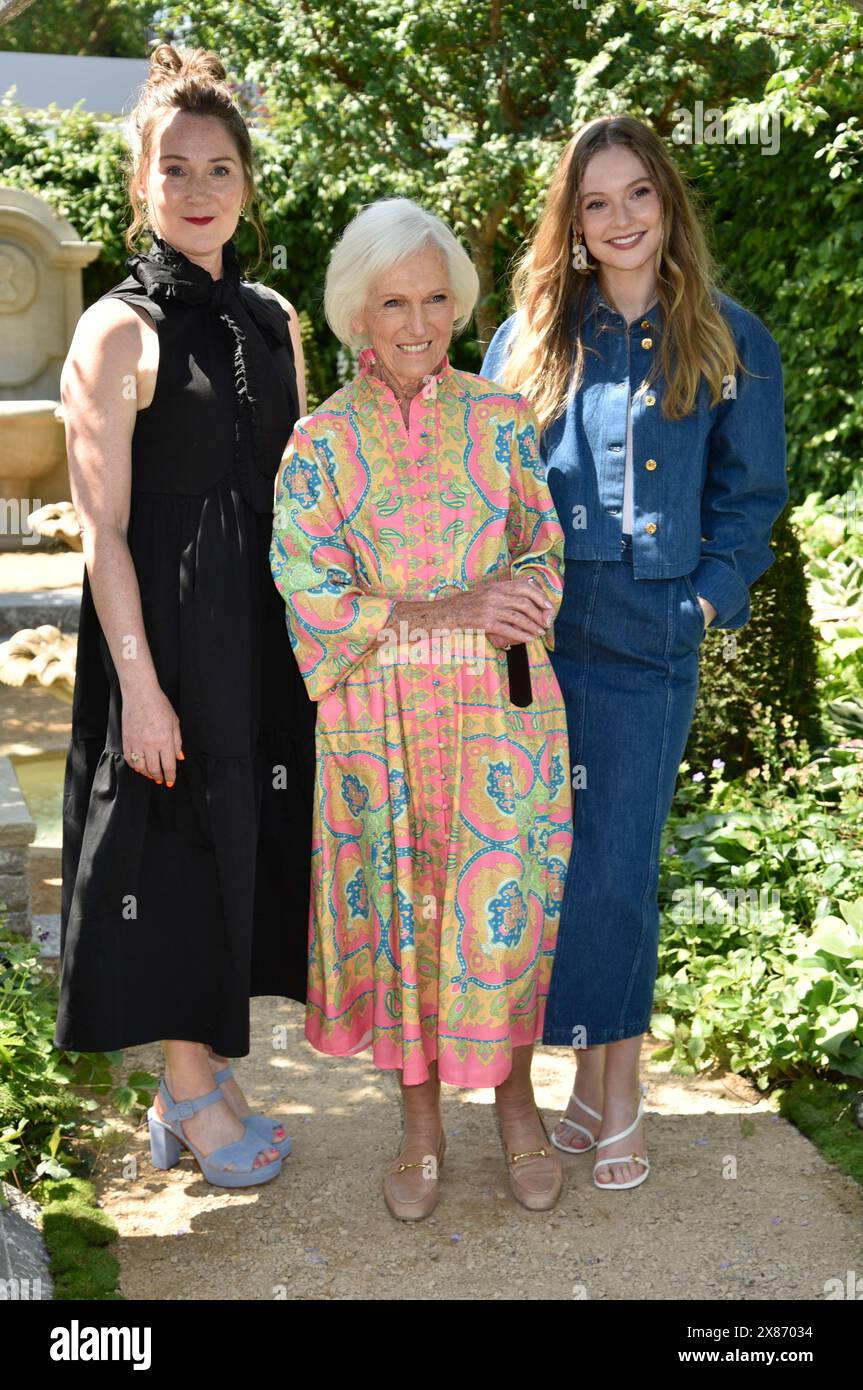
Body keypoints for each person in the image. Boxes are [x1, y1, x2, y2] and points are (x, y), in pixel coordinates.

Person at [481, 114, 788, 1191]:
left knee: (616, 871)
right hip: (537, 638)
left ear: (667, 203)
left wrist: (701, 603)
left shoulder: (730, 338)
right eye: (595, 201)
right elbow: (485, 491)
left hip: (649, 636)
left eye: (637, 195)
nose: (618, 219)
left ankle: (618, 1094)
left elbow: (748, 498)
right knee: (547, 871)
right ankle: (575, 1085)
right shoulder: (526, 339)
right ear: (571, 221)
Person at [269, 197, 573, 1219]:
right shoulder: (314, 446)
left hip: (499, 714)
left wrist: (519, 596)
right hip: (375, 725)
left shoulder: (497, 418)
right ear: (357, 313)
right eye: (393, 301)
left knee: (504, 907)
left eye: (434, 298)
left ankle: (518, 1109)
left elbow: (541, 551)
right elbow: (311, 597)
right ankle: (418, 1125)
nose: (416, 322)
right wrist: (454, 606)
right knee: (403, 911)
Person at [54, 43, 316, 1189]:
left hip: (259, 638)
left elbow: (298, 492)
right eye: (175, 169)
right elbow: (100, 529)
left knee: (236, 844)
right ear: (139, 187)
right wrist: (142, 684)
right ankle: (186, 1085)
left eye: (219, 167)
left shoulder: (274, 318)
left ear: (247, 186)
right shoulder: (115, 330)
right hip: (158, 637)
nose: (199, 189)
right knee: (164, 854)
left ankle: (201, 1070)